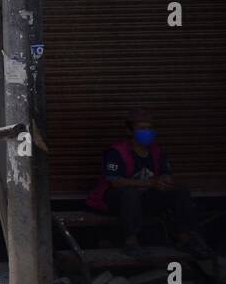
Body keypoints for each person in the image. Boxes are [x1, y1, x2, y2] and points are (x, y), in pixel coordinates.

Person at [86, 109, 212, 258]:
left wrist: (165, 180)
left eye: (150, 127)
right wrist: (151, 183)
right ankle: (131, 241)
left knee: (180, 190)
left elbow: (166, 173)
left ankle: (184, 239)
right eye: (142, 128)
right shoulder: (115, 152)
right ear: (129, 131)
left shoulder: (157, 151)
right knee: (129, 193)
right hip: (117, 200)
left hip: (145, 199)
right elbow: (115, 182)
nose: (147, 132)